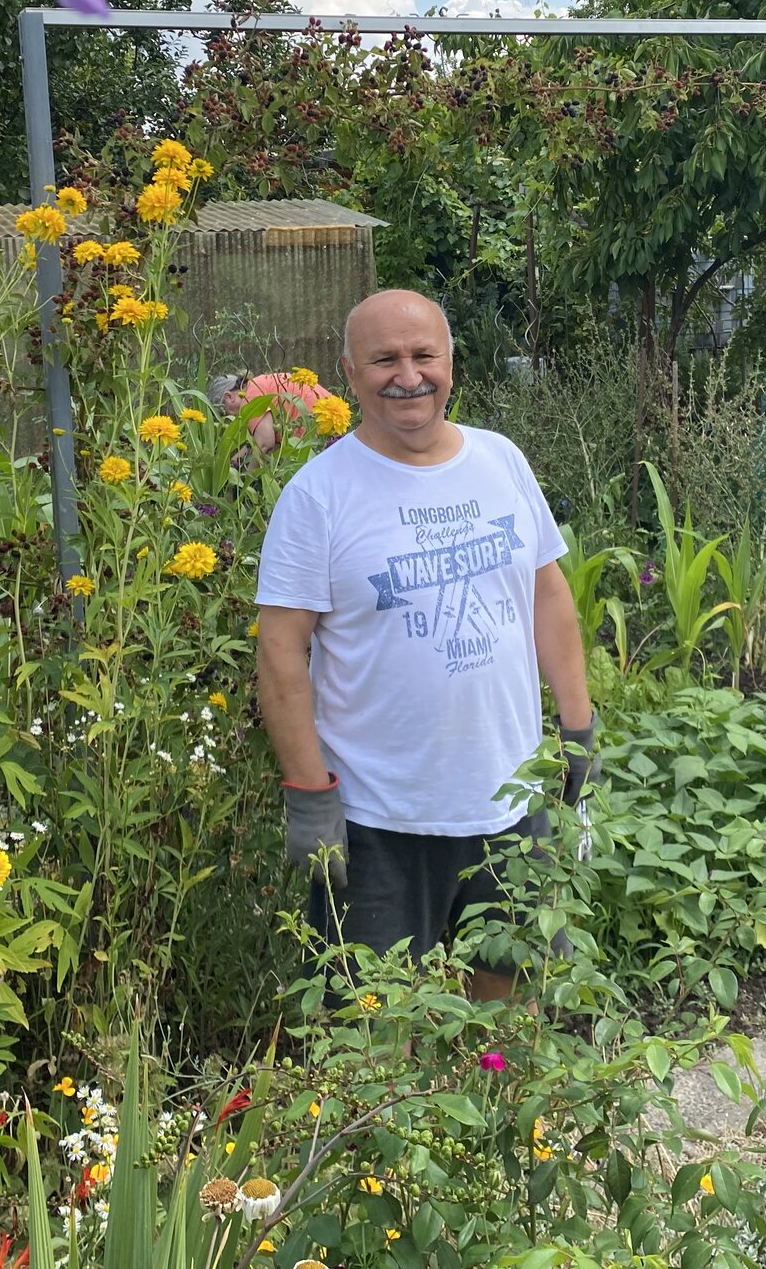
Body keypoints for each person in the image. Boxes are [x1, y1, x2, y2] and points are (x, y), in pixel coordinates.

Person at [254, 288, 597, 1000]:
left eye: (423, 355)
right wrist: (309, 797)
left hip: (511, 799)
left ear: (450, 364)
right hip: (379, 817)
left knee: (509, 1006)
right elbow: (280, 652)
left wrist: (578, 730)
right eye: (384, 359)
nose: (407, 375)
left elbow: (547, 594)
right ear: (349, 374)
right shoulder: (319, 496)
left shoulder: (500, 461)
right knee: (374, 1030)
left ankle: (498, 1116)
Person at [210, 368, 330, 456]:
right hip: (331, 420)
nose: (231, 417)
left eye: (224, 412)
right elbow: (257, 443)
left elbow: (265, 444)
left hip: (316, 435)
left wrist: (244, 481)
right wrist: (233, 463)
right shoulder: (259, 384)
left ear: (229, 397)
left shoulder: (249, 398)